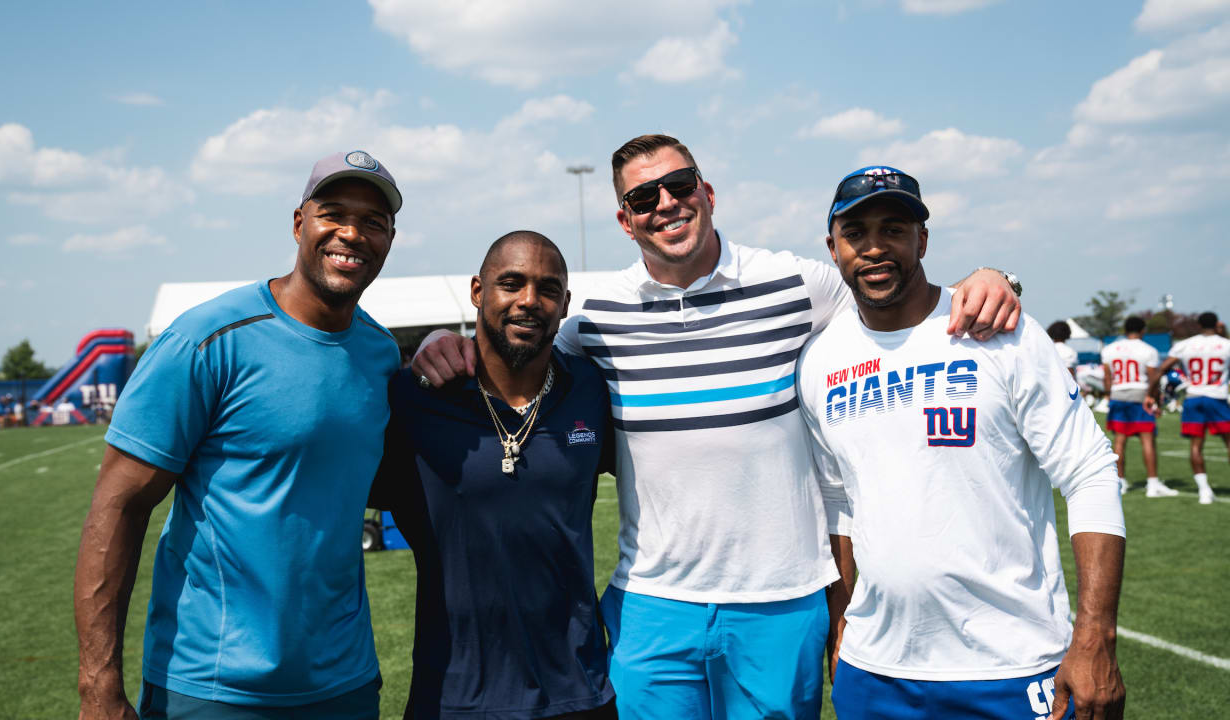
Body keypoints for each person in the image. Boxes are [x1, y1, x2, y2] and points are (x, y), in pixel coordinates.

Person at [413, 135, 1021, 720]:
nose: (665, 205)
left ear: (706, 193)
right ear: (626, 222)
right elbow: (516, 358)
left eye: (678, 186)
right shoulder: (594, 322)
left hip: (780, 604)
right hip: (650, 606)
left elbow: (895, 285)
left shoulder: (799, 285)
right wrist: (445, 344)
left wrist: (992, 278)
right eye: (643, 199)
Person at [74, 150, 403, 719]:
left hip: (344, 683)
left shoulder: (379, 353)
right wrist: (98, 687)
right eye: (333, 213)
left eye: (373, 221)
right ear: (299, 223)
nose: (352, 233)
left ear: (390, 239)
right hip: (212, 687)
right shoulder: (205, 339)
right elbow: (118, 506)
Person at [798, 166, 1126, 720]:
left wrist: (1096, 636)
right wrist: (843, 617)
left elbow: (1091, 473)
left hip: (1012, 665)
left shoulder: (1001, 332)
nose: (875, 248)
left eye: (894, 229)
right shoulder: (819, 361)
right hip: (875, 670)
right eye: (856, 234)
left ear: (922, 240)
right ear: (833, 249)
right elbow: (840, 504)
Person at [372, 232, 616, 719]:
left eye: (548, 289)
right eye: (511, 283)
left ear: (564, 304)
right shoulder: (413, 397)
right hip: (454, 696)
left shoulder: (590, 388)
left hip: (579, 690)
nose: (530, 300)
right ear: (478, 292)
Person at [1149, 311, 1230, 504]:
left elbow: (1163, 368)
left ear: (1199, 325)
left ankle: (1204, 490)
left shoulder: (1185, 344)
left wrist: (1151, 394)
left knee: (1196, 446)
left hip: (1193, 396)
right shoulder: (1226, 345)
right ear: (1217, 325)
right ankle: (1205, 490)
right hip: (1217, 396)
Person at [1101, 316, 1176, 497]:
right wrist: (1155, 400)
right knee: (1147, 440)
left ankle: (1121, 482)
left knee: (1119, 440)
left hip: (1118, 395)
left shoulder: (1110, 349)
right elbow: (1153, 379)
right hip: (1140, 395)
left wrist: (1110, 397)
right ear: (1142, 331)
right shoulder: (1148, 350)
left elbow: (1107, 378)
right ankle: (1152, 484)